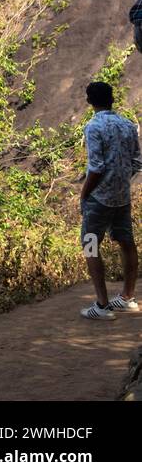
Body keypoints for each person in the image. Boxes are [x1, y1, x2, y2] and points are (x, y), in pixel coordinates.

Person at [79, 81, 141, 321]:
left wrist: (84, 194)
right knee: (126, 241)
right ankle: (128, 297)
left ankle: (102, 305)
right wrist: (121, 180)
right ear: (112, 99)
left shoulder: (93, 126)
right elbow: (137, 162)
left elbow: (96, 167)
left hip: (99, 199)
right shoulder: (127, 125)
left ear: (89, 101)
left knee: (91, 244)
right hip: (122, 196)